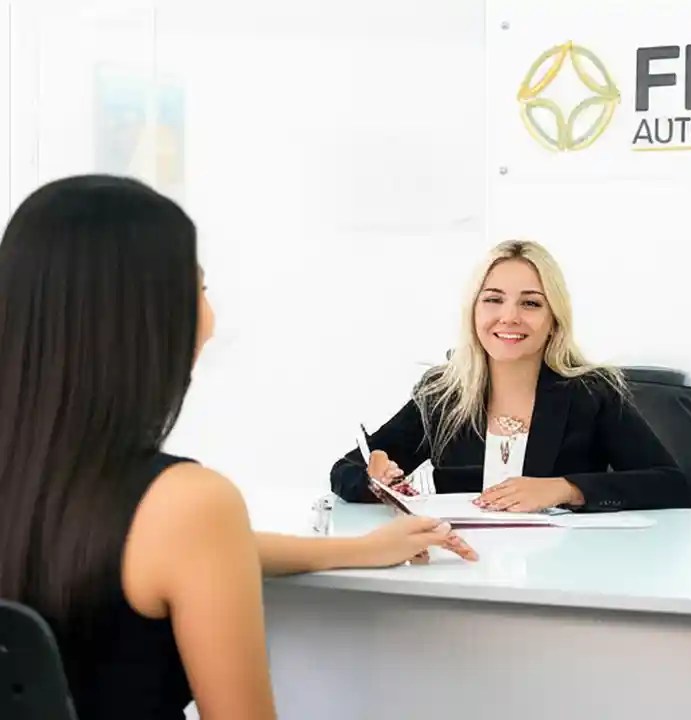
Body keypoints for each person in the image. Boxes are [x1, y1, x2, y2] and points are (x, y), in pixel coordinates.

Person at [0, 175, 477, 720]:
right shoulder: (187, 505)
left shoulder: (55, 492)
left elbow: (199, 550)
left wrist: (360, 550)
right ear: (148, 318)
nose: (210, 320)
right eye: (200, 290)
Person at [330, 239, 690, 513]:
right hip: (464, 566)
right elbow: (345, 470)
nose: (509, 317)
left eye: (530, 303)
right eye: (493, 299)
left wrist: (565, 489)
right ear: (473, 312)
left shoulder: (592, 393)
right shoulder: (443, 394)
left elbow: (673, 486)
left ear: (554, 320)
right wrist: (374, 479)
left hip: (565, 571)